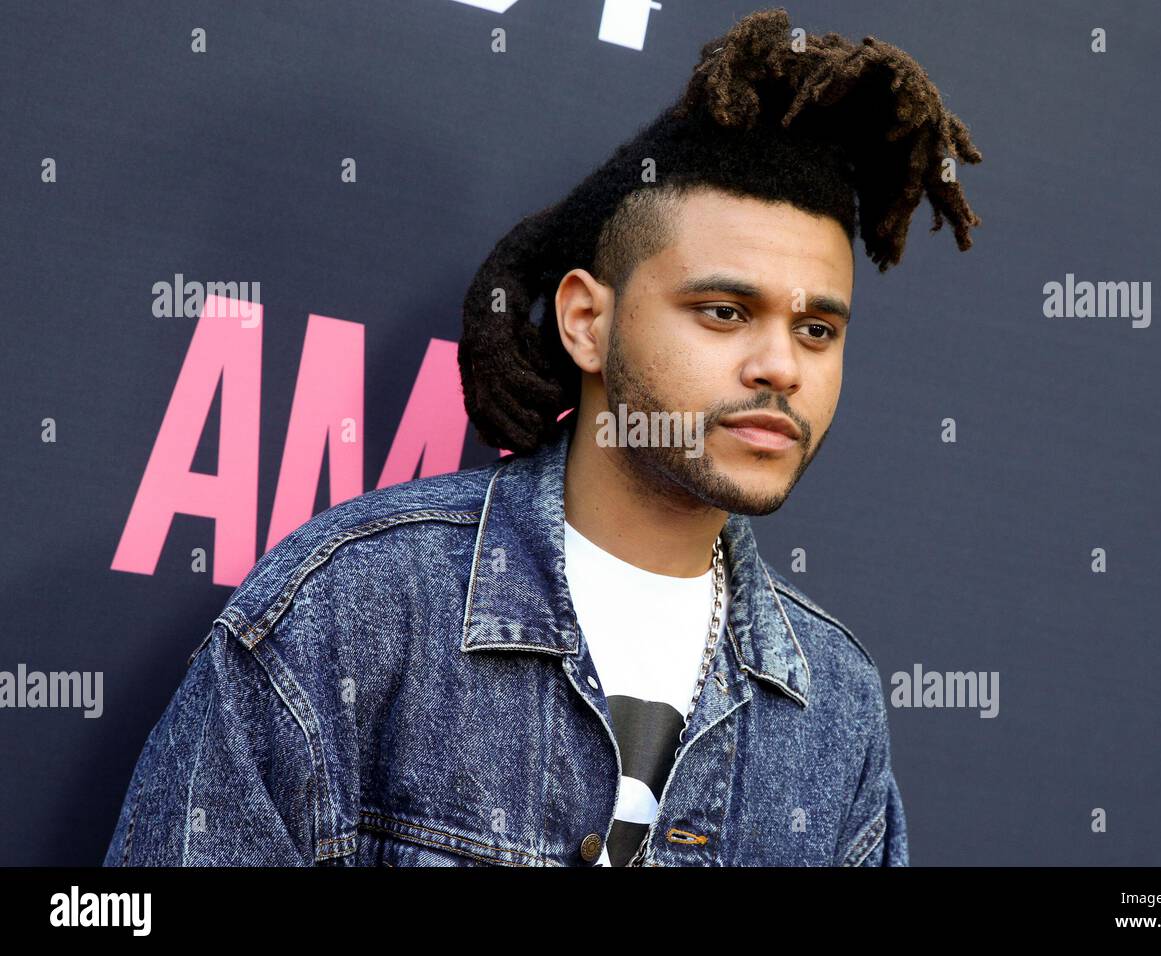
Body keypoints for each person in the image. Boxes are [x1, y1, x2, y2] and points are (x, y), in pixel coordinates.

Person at [104, 7, 980, 867]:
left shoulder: (833, 702)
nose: (780, 367)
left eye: (818, 331)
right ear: (585, 323)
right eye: (724, 311)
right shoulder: (357, 607)